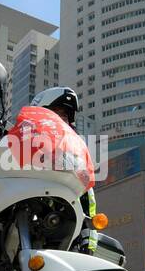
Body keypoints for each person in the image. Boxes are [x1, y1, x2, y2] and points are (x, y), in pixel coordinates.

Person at [33, 86, 97, 251]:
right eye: (55, 113)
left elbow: (87, 202)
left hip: (63, 230)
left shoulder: (73, 154)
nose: (61, 119)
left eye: (65, 115)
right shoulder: (23, 147)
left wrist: (87, 240)